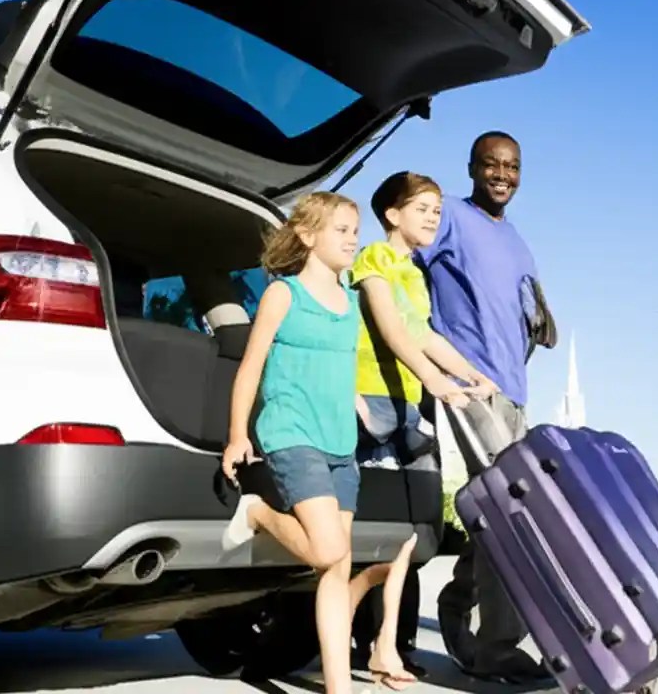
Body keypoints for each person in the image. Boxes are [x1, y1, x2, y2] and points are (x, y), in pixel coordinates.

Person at [219, 191, 418, 693]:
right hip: (291, 432)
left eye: (355, 230)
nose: (353, 239)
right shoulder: (283, 295)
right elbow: (251, 366)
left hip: (339, 442)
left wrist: (353, 395)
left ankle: (337, 686)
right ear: (307, 236)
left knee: (337, 567)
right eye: (341, 230)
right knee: (328, 551)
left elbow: (347, 358)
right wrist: (238, 433)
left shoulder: (351, 300)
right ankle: (256, 513)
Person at [348, 171, 500, 677]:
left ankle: (393, 643)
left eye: (437, 209)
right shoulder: (374, 258)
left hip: (405, 405)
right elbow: (390, 329)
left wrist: (475, 375)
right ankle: (359, 639)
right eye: (422, 208)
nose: (433, 217)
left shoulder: (415, 272)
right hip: (371, 401)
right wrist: (437, 383)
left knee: (411, 533)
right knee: (369, 530)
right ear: (392, 214)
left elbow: (425, 334)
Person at [416, 131, 554, 684]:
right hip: (467, 383)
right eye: (492, 164)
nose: (503, 174)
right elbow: (402, 258)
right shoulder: (448, 213)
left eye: (513, 166)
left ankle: (457, 604)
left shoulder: (518, 239)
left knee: (502, 511)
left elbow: (520, 308)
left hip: (514, 392)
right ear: (472, 167)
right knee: (510, 506)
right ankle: (499, 648)